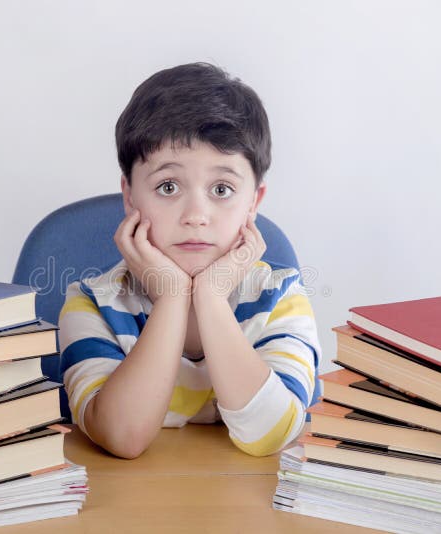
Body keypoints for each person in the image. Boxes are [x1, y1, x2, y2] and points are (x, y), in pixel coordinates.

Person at [58, 62, 321, 459]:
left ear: (253, 202)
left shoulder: (281, 298)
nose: (196, 214)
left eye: (221, 188)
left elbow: (270, 435)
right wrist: (172, 298)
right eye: (168, 186)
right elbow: (122, 437)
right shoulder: (90, 304)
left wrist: (212, 299)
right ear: (129, 196)